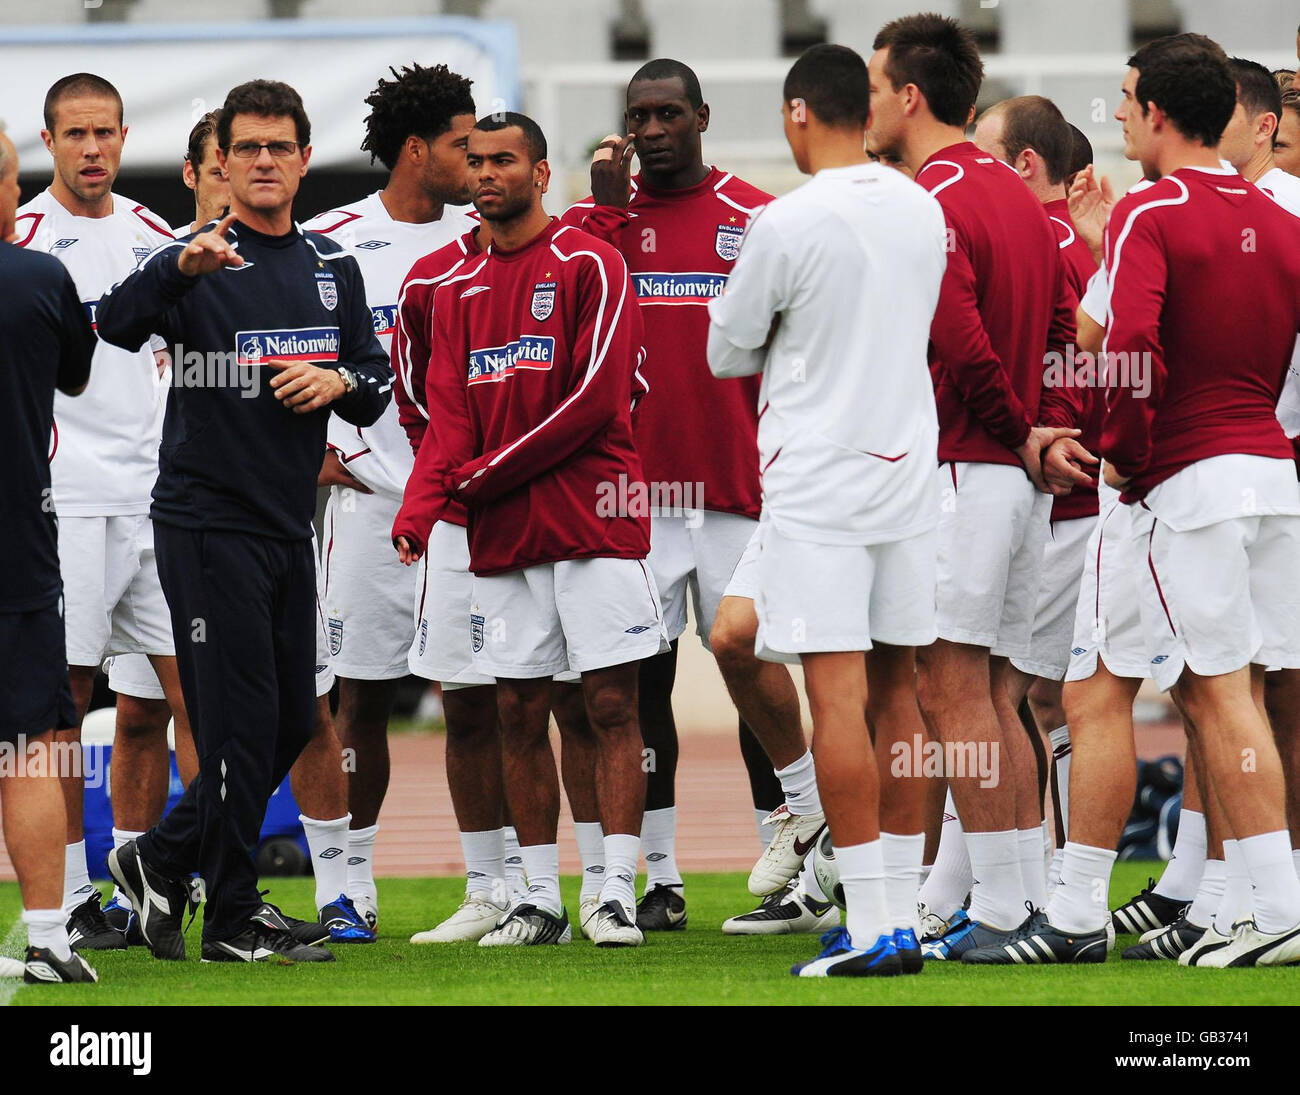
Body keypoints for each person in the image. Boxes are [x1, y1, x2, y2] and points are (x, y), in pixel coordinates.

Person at [980, 34, 1300, 968]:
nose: (1116, 116)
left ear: (1159, 112)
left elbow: (1131, 355)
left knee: (1204, 692)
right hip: (1267, 475)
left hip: (1180, 481)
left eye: (1125, 102)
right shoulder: (1279, 217)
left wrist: (1124, 456)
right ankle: (1153, 905)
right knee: (1159, 689)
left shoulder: (1153, 213)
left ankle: (1269, 906)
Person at [97, 79, 392, 964]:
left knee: (293, 723)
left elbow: (378, 383)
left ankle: (160, 857)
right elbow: (114, 325)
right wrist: (174, 266)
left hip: (285, 524)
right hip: (202, 520)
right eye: (247, 148)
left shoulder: (333, 269)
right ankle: (228, 913)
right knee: (238, 720)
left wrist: (339, 383)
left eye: (281, 147)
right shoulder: (197, 261)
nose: (264, 161)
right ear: (219, 163)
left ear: (304, 159)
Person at [394, 112, 663, 948]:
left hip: (593, 516)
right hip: (502, 531)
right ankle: (539, 898)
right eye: (474, 161)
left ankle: (616, 888)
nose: (485, 174)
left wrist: (483, 476)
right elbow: (445, 420)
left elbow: (597, 400)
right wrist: (418, 509)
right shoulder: (453, 288)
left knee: (613, 702)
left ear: (542, 174)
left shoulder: (592, 262)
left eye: (503, 161)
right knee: (515, 707)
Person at [708, 44, 947, 976]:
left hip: (820, 476)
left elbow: (728, 350)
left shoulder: (788, 218)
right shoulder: (923, 205)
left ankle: (872, 924)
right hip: (907, 470)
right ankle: (903, 916)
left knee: (837, 696)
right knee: (900, 694)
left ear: (800, 113)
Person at [559, 58, 805, 934]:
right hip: (636, 497)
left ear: (701, 116)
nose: (654, 129)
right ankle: (657, 874)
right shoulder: (601, 227)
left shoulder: (756, 218)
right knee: (634, 686)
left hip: (739, 489)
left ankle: (790, 853)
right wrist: (602, 207)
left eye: (669, 113)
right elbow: (557, 302)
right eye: (640, 115)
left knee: (755, 673)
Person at [865, 13, 1079, 960]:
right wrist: (1037, 425)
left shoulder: (934, 196)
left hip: (967, 463)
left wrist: (1013, 426)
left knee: (948, 685)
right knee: (994, 690)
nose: (865, 107)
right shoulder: (1016, 196)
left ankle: (997, 908)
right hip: (1012, 478)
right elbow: (1069, 324)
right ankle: (1026, 903)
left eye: (873, 89)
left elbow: (955, 335)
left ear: (910, 98)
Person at [300, 63, 478, 935]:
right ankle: (350, 884)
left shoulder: (488, 235)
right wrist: (326, 452)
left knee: (482, 694)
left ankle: (504, 884)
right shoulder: (331, 241)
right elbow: (291, 350)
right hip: (372, 505)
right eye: (459, 143)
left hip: (470, 506)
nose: (476, 157)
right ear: (416, 149)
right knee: (360, 696)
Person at [14, 72, 189, 953]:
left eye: (105, 133)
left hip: (156, 502)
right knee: (64, 701)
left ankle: (178, 878)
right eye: (74, 134)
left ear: (124, 137)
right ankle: (73, 898)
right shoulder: (29, 241)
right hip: (67, 503)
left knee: (178, 696)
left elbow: (182, 357)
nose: (92, 148)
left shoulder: (159, 236)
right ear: (49, 142)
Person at [972, 95, 1099, 885]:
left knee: (981, 692)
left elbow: (1074, 362)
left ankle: (1001, 890)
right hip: (1080, 492)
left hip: (1053, 494)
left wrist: (1034, 433)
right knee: (1040, 700)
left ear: (1023, 164)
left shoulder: (1030, 237)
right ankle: (1050, 883)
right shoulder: (1085, 242)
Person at [0, 126, 98, 983]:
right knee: (28, 745)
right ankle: (45, 937)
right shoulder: (39, 275)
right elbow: (75, 374)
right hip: (17, 545)